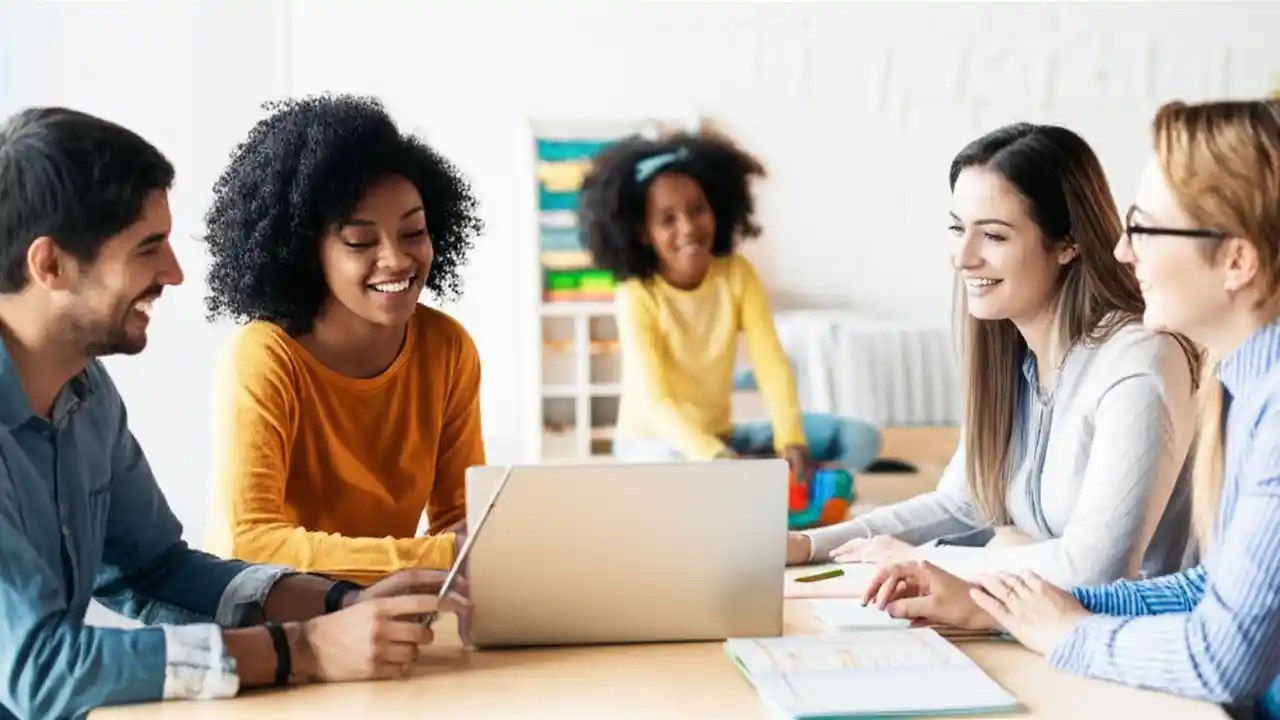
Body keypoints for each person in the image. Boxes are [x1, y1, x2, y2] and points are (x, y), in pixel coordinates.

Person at [0, 107, 469, 720]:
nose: (174, 272)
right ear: (50, 265)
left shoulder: (87, 395)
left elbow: (153, 570)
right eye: (148, 248)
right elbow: (42, 671)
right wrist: (301, 649)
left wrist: (338, 603)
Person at [870, 99, 1280, 718]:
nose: (1121, 251)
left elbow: (1224, 656)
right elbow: (1213, 587)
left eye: (1145, 228)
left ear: (1237, 261)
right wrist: (998, 604)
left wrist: (1066, 633)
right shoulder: (1249, 386)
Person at [787, 122, 1202, 591]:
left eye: (994, 236)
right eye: (957, 229)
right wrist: (808, 544)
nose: (963, 257)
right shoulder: (1016, 361)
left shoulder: (1139, 361)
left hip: (1137, 642)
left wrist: (929, 562)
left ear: (1069, 243)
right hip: (1044, 628)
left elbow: (1096, 570)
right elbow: (960, 505)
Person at [201, 95, 485, 584]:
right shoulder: (266, 356)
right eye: (360, 241)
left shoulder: (447, 347)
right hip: (274, 617)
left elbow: (464, 524)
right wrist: (432, 558)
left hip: (384, 609)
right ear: (309, 252)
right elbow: (247, 541)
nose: (396, 260)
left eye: (413, 232)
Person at [579, 131, 882, 479]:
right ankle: (743, 484)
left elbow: (770, 363)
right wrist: (717, 458)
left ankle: (792, 489)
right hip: (654, 444)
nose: (688, 227)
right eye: (667, 219)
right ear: (643, 233)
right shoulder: (636, 293)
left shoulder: (736, 274)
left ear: (717, 210)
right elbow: (657, 404)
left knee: (861, 439)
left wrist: (791, 439)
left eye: (698, 209)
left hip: (721, 440)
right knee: (686, 475)